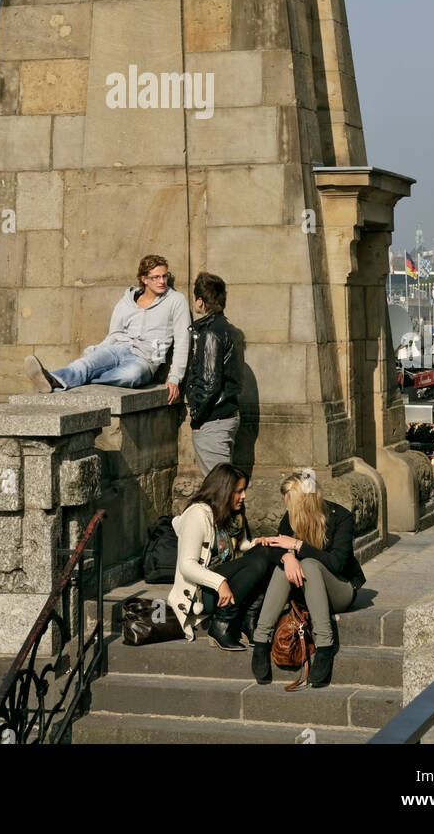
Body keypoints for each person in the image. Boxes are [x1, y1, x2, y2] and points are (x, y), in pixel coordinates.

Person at [249, 469, 365, 689]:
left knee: (309, 565)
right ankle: (261, 640)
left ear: (302, 502)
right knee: (286, 565)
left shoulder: (341, 517)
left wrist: (297, 546)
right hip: (306, 589)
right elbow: (276, 544)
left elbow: (337, 563)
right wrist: (286, 556)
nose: (286, 510)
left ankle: (325, 645)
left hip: (340, 589)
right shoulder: (291, 518)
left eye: (289, 505)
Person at [25, 254, 189, 404]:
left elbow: (182, 341)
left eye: (164, 276)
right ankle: (52, 379)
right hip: (117, 348)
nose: (162, 281)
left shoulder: (176, 301)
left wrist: (174, 378)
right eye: (156, 277)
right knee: (86, 363)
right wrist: (97, 351)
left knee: (131, 376)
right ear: (144, 279)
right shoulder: (127, 301)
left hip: (144, 360)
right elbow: (114, 334)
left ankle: (81, 378)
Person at [166, 463, 274, 650]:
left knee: (269, 552)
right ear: (223, 490)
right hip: (201, 592)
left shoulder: (230, 513)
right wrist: (220, 583)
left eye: (244, 490)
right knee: (259, 560)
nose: (244, 496)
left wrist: (257, 543)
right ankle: (221, 625)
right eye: (239, 491)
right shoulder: (197, 514)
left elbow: (236, 546)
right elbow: (187, 566)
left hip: (223, 583)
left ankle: (249, 622)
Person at [185, 272, 241, 477]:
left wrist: (196, 420)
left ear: (200, 301)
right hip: (226, 416)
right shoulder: (229, 329)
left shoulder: (211, 333)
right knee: (225, 487)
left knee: (221, 490)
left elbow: (209, 384)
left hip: (213, 420)